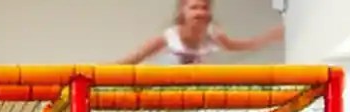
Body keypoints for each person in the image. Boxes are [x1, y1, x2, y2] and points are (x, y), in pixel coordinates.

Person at [118, 0, 284, 65]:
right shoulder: (168, 38)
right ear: (182, 12)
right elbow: (133, 58)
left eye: (204, 8)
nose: (200, 12)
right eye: (194, 8)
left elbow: (240, 46)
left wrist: (269, 37)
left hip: (197, 90)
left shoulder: (213, 35)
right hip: (167, 89)